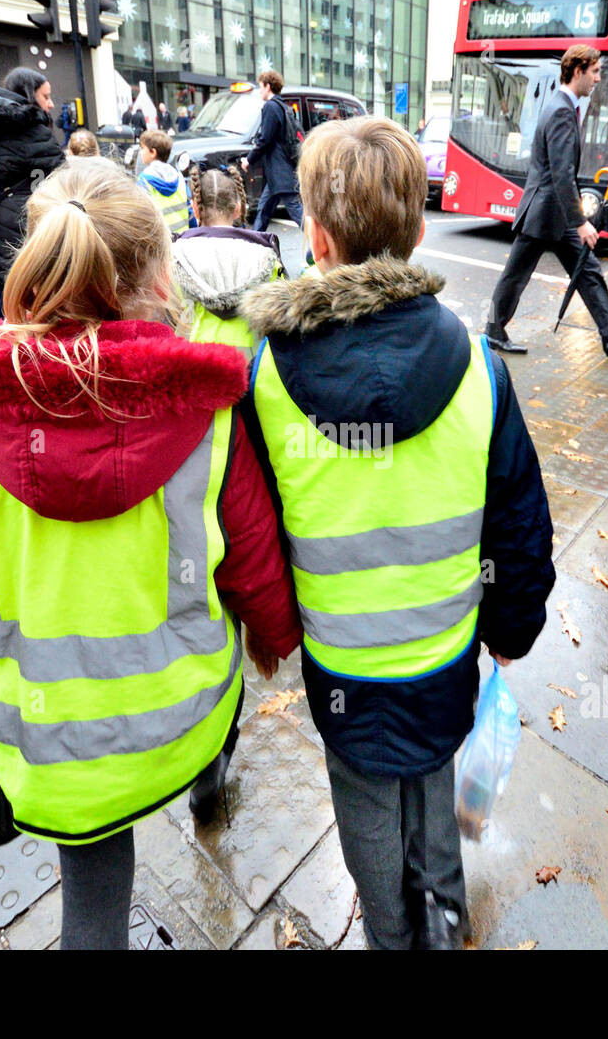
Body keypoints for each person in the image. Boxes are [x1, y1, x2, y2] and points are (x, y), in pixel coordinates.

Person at [0, 158, 301, 949]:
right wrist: (275, 636)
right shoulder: (206, 418)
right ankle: (206, 781)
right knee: (206, 733)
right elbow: (253, 557)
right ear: (158, 274)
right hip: (182, 711)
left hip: (42, 728)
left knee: (91, 894)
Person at [239, 116, 555, 949]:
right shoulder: (481, 369)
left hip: (343, 666)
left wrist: (271, 631)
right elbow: (520, 517)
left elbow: (251, 530)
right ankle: (442, 922)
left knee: (368, 809)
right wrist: (512, 627)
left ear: (317, 235)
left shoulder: (267, 376)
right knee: (431, 784)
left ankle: (389, 931)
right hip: (446, 653)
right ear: (419, 233)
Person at [484, 45, 608, 357]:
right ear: (577, 71)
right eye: (595, 71)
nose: (598, 78)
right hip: (545, 212)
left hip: (553, 213)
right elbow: (561, 173)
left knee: (588, 271)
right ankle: (493, 330)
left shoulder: (561, 105)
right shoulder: (561, 109)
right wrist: (581, 222)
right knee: (516, 276)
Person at [0, 67, 65, 321]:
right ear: (28, 94)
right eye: (45, 96)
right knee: (29, 282)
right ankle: (25, 342)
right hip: (16, 221)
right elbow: (61, 176)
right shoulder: (29, 129)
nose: (49, 104)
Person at [172, 164, 282, 357]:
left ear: (196, 209)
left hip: (194, 360)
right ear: (238, 209)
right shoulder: (266, 256)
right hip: (252, 362)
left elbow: (171, 313)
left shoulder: (177, 254)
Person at [240, 70, 304, 238]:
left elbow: (265, 139)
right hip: (279, 172)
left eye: (261, 87)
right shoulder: (284, 107)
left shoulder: (271, 107)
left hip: (280, 173)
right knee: (263, 210)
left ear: (268, 87)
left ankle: (321, 239)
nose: (260, 91)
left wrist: (248, 160)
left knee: (297, 212)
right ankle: (254, 241)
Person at [135, 129, 195, 238]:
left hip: (162, 243)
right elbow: (190, 211)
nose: (140, 152)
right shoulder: (179, 177)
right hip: (183, 239)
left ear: (153, 152)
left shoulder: (144, 181)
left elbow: (142, 217)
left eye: (143, 148)